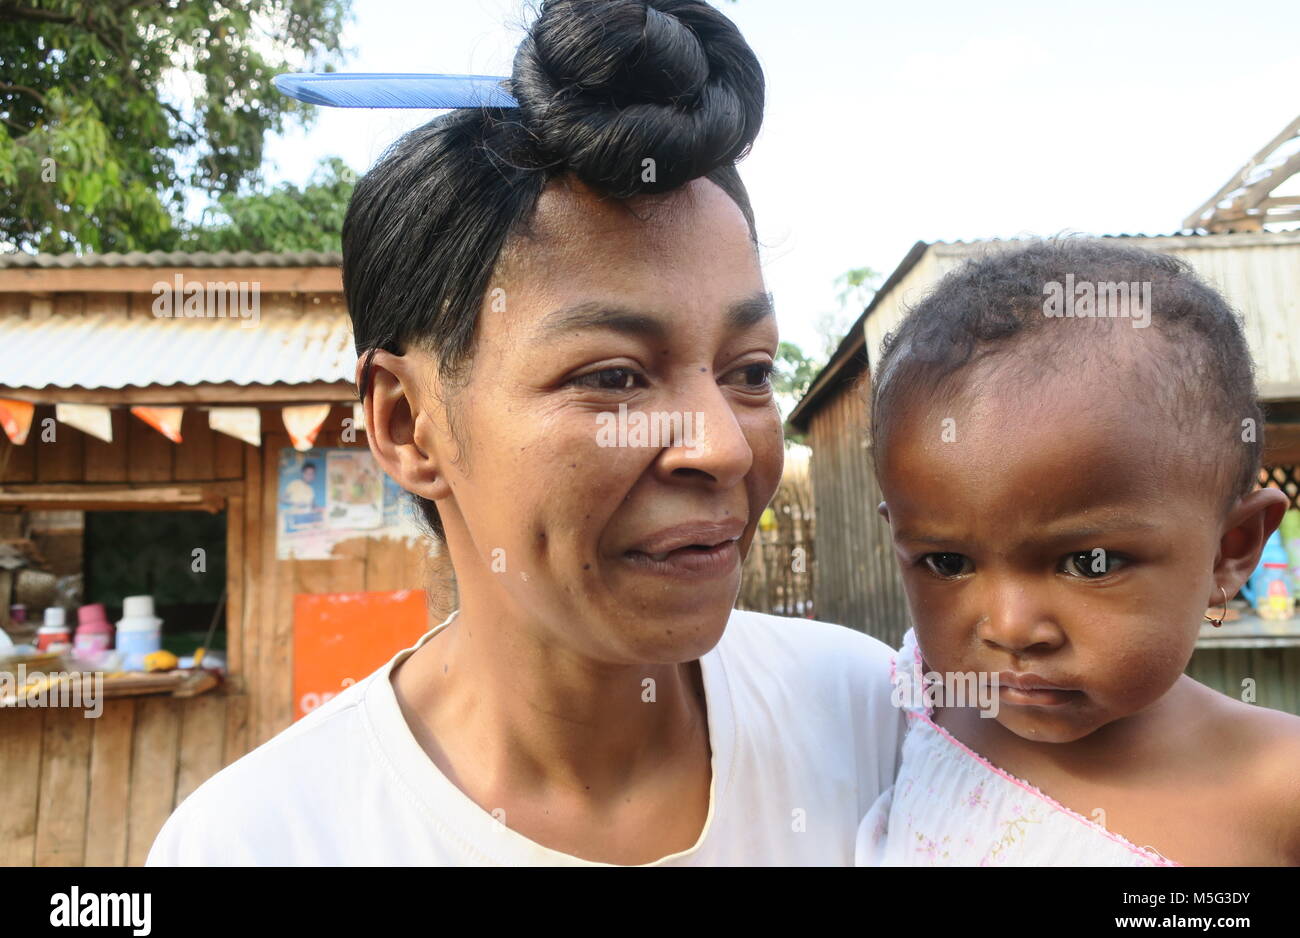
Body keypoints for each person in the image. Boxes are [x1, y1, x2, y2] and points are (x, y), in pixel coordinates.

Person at [147, 0, 904, 866]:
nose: (725, 446)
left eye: (751, 372)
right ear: (406, 424)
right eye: (613, 377)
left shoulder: (869, 721)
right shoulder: (259, 843)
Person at [856, 238, 1300, 866]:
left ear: (1231, 550)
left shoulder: (1280, 790)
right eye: (947, 563)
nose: (1010, 628)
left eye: (1089, 563)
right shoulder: (913, 706)